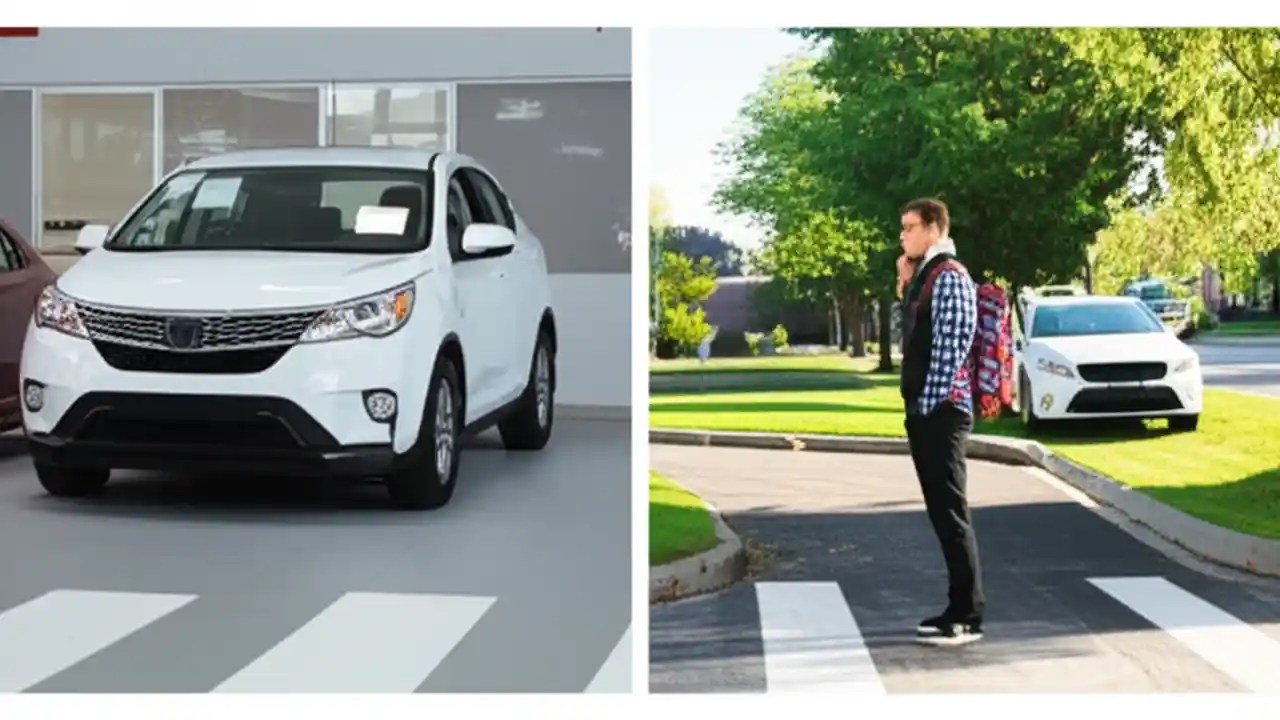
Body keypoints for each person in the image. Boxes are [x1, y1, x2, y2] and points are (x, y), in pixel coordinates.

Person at [896, 197, 985, 646]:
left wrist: (926, 409)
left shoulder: (949, 277)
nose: (904, 235)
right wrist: (906, 283)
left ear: (933, 228)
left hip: (942, 412)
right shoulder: (926, 276)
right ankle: (958, 607)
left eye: (910, 227)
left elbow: (950, 351)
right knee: (942, 512)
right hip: (929, 411)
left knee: (951, 512)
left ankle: (967, 612)